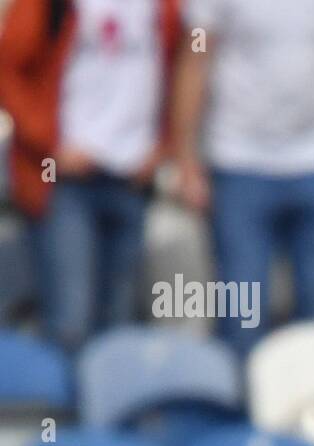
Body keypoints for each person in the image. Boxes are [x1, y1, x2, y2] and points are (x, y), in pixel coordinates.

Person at [170, 0, 314, 353]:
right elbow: (195, 59)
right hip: (238, 163)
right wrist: (187, 160)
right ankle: (240, 404)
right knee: (242, 314)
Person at [0, 0, 181, 351]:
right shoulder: (45, 6)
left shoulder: (165, 7)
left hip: (131, 178)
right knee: (71, 320)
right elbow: (7, 67)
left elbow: (182, 67)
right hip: (64, 182)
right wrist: (49, 142)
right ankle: (61, 406)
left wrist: (163, 146)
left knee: (119, 321)